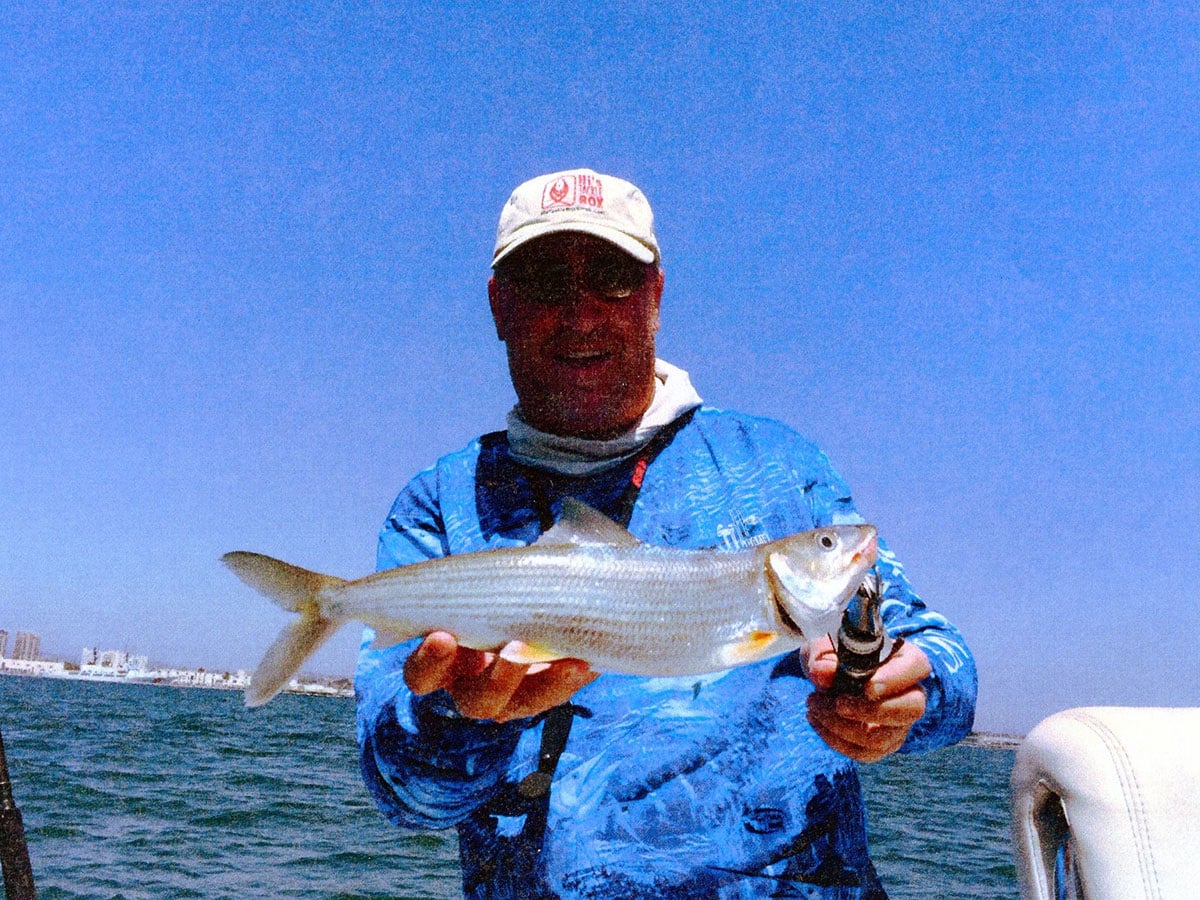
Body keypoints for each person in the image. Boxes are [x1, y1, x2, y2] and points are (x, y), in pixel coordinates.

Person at [355, 168, 977, 899]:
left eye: (613, 276)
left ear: (655, 294)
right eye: (545, 279)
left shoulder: (779, 466)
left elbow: (944, 664)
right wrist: (459, 721)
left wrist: (906, 697)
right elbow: (404, 799)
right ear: (499, 304)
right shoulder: (440, 506)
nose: (581, 313)